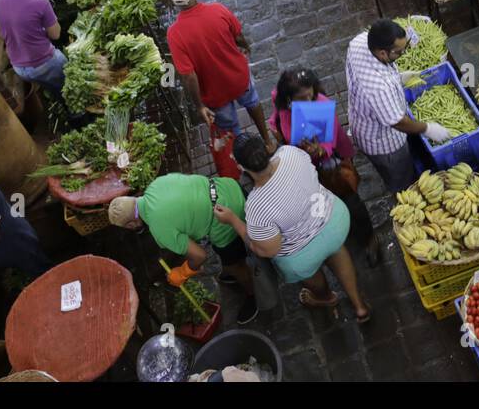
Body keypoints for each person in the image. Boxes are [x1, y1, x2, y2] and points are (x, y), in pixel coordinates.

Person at [215, 135, 371, 322]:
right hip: (333, 222)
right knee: (336, 250)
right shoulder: (291, 152)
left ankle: (326, 298)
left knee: (309, 271)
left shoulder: (255, 206)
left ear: (241, 167)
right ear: (266, 148)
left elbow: (268, 249)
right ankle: (359, 306)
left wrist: (233, 220)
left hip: (301, 256)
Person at [108, 173, 258, 324]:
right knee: (228, 257)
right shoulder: (155, 185)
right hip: (228, 187)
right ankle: (232, 273)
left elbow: (200, 255)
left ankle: (254, 296)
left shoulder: (160, 230)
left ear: (131, 225)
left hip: (226, 216)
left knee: (236, 264)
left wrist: (183, 272)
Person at [269, 69, 380, 268]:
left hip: (330, 164)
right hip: (304, 166)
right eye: (303, 98)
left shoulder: (320, 106)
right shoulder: (279, 98)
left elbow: (328, 147)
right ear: (288, 98)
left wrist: (317, 150)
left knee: (350, 199)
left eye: (311, 95)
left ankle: (369, 238)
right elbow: (276, 120)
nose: (310, 101)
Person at [165, 0, 276, 151]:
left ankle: (246, 157)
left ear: (174, 2)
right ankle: (267, 140)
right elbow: (238, 36)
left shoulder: (174, 34)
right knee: (253, 103)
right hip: (238, 77)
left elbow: (188, 76)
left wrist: (200, 106)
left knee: (232, 129)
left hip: (214, 93)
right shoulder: (218, 10)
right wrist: (245, 47)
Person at [344, 18, 451, 193]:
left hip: (360, 115)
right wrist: (428, 128)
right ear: (382, 53)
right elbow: (397, 122)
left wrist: (399, 77)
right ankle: (405, 198)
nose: (403, 54)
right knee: (401, 178)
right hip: (383, 143)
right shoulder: (379, 87)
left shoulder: (359, 42)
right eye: (398, 52)